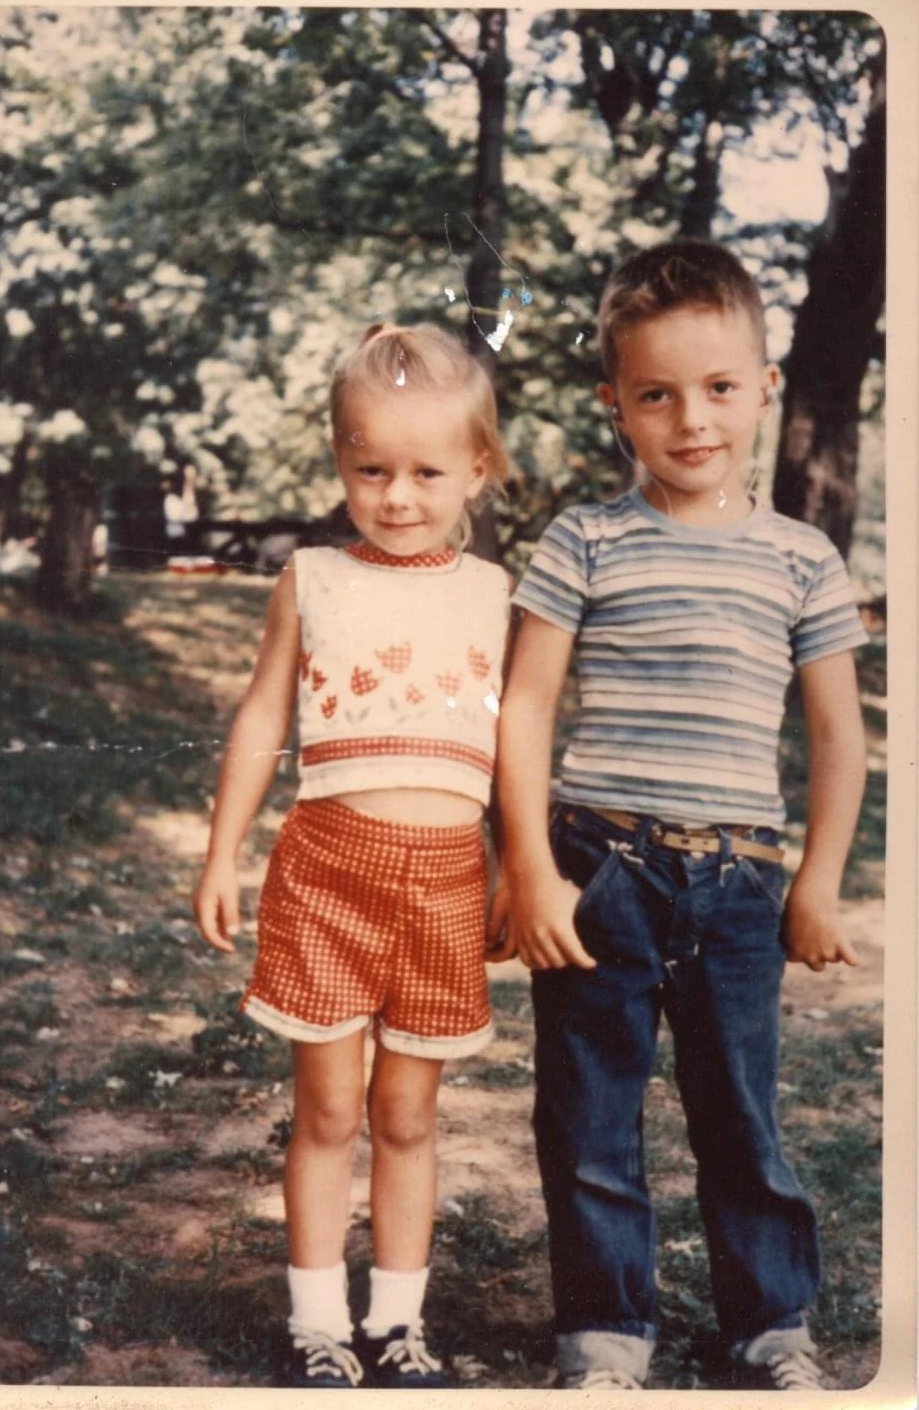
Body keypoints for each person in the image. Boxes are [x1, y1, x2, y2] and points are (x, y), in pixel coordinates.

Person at [494, 241, 868, 1392]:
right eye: (655, 394)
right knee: (591, 1113)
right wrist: (530, 869)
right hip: (597, 865)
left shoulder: (803, 560)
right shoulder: (584, 540)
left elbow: (839, 735)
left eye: (717, 388)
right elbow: (524, 709)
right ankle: (606, 1335)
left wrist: (815, 879)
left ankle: (769, 1327)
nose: (689, 419)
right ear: (615, 405)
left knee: (742, 1118)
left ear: (763, 386)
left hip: (740, 878)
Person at [194, 323, 512, 1388]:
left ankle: (400, 1322)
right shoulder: (312, 577)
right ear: (340, 460)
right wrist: (220, 851)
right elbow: (258, 719)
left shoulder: (498, 594)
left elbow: (518, 743)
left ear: (480, 466)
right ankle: (319, 1321)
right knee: (330, 1108)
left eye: (428, 471)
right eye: (370, 467)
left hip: (447, 881)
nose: (398, 495)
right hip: (328, 869)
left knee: (408, 1113)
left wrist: (517, 866)